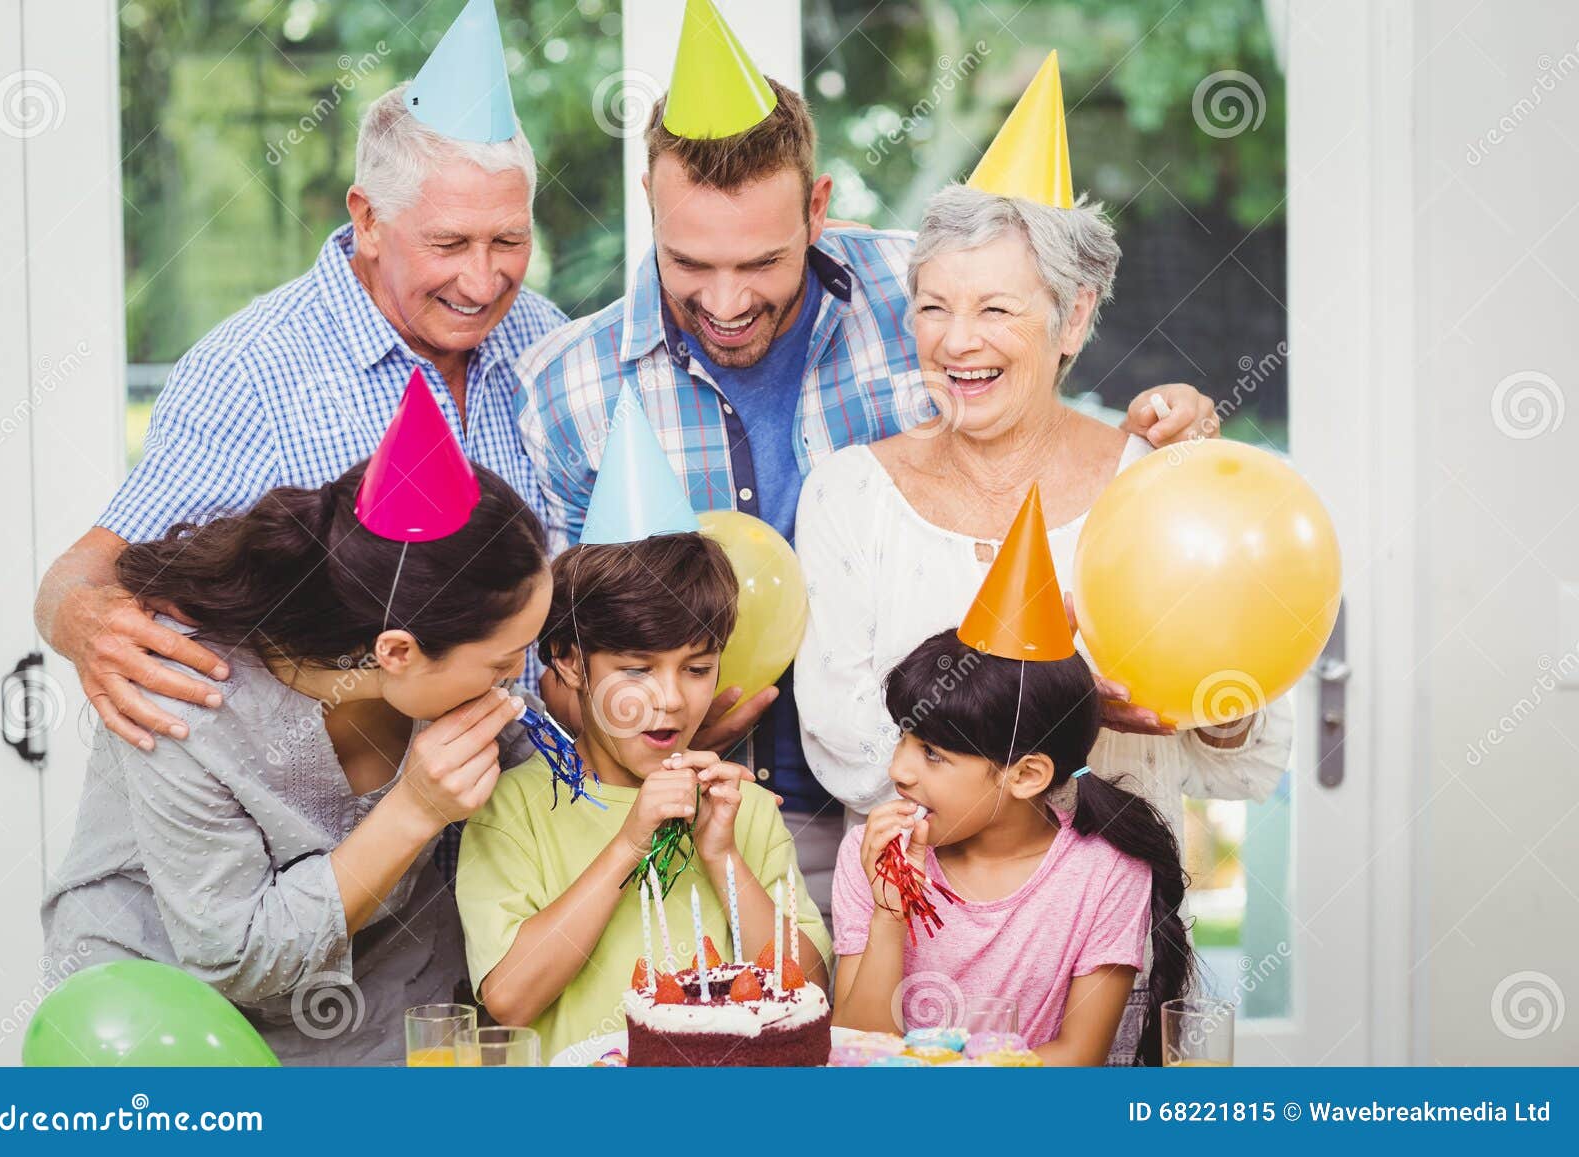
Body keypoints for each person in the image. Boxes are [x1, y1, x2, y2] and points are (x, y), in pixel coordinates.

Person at [516, 13, 1218, 919]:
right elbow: (542, 656)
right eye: (687, 261)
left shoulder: (918, 295)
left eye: (763, 261)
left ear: (819, 209)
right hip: (684, 827)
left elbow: (1033, 390)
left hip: (891, 822)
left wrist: (1174, 429)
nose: (725, 302)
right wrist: (636, 718)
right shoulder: (568, 389)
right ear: (651, 210)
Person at [35, 29, 564, 754]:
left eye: (508, 241)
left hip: (535, 822)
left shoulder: (545, 336)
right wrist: (82, 619)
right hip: (344, 844)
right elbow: (85, 570)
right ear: (368, 218)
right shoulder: (248, 371)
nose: (483, 281)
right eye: (449, 244)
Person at [794, 183, 1292, 844]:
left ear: (1075, 316)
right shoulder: (849, 494)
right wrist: (1071, 707)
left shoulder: (1152, 480)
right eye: (934, 307)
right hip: (910, 933)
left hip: (1116, 926)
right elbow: (849, 755)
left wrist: (1210, 697)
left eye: (996, 308)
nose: (958, 340)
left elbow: (1238, 758)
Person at [40, 457, 552, 1065]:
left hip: (378, 1000)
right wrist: (415, 809)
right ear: (397, 651)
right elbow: (234, 955)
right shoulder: (187, 700)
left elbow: (561, 777)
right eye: (501, 664)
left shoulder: (430, 670)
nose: (516, 683)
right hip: (167, 1013)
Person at [456, 533, 830, 1062]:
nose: (673, 699)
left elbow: (807, 993)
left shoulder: (737, 807)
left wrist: (722, 858)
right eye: (637, 669)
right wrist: (628, 844)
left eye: (698, 669)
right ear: (569, 662)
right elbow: (511, 1000)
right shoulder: (510, 810)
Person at [831, 626, 1195, 1066]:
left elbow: (1078, 1058)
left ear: (1025, 776)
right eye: (901, 737)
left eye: (931, 752)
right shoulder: (868, 856)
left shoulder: (1107, 873)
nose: (897, 769)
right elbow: (858, 1051)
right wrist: (889, 914)